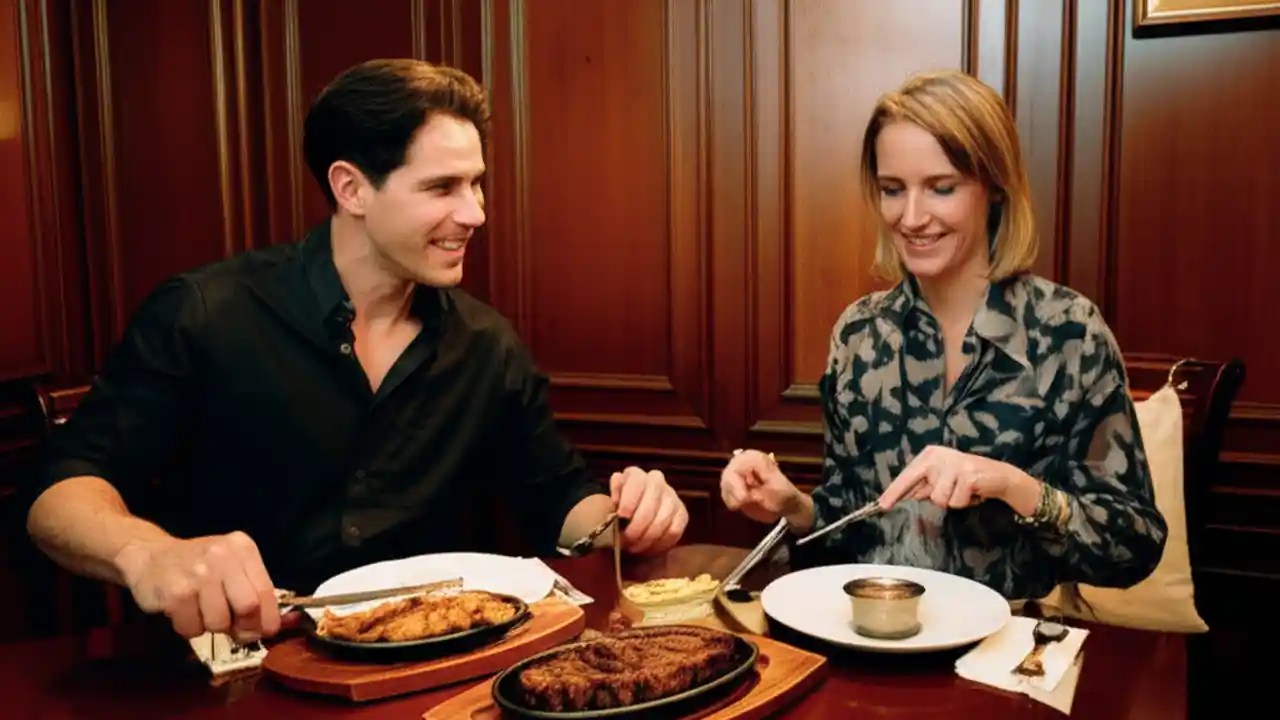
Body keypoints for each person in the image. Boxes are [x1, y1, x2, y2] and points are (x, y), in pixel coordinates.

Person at [23, 59, 687, 643]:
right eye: (442, 187)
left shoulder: (487, 344)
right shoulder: (204, 313)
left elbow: (559, 501)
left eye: (477, 183)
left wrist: (626, 518)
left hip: (424, 671)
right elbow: (58, 501)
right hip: (233, 679)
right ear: (351, 189)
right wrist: (151, 554)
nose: (477, 212)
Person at [718, 70, 1166, 600]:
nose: (911, 217)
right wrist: (795, 508)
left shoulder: (1069, 332)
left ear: (994, 188)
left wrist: (1011, 485)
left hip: (1011, 654)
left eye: (941, 187)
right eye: (892, 190)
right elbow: (848, 533)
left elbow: (1134, 544)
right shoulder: (858, 336)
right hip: (873, 641)